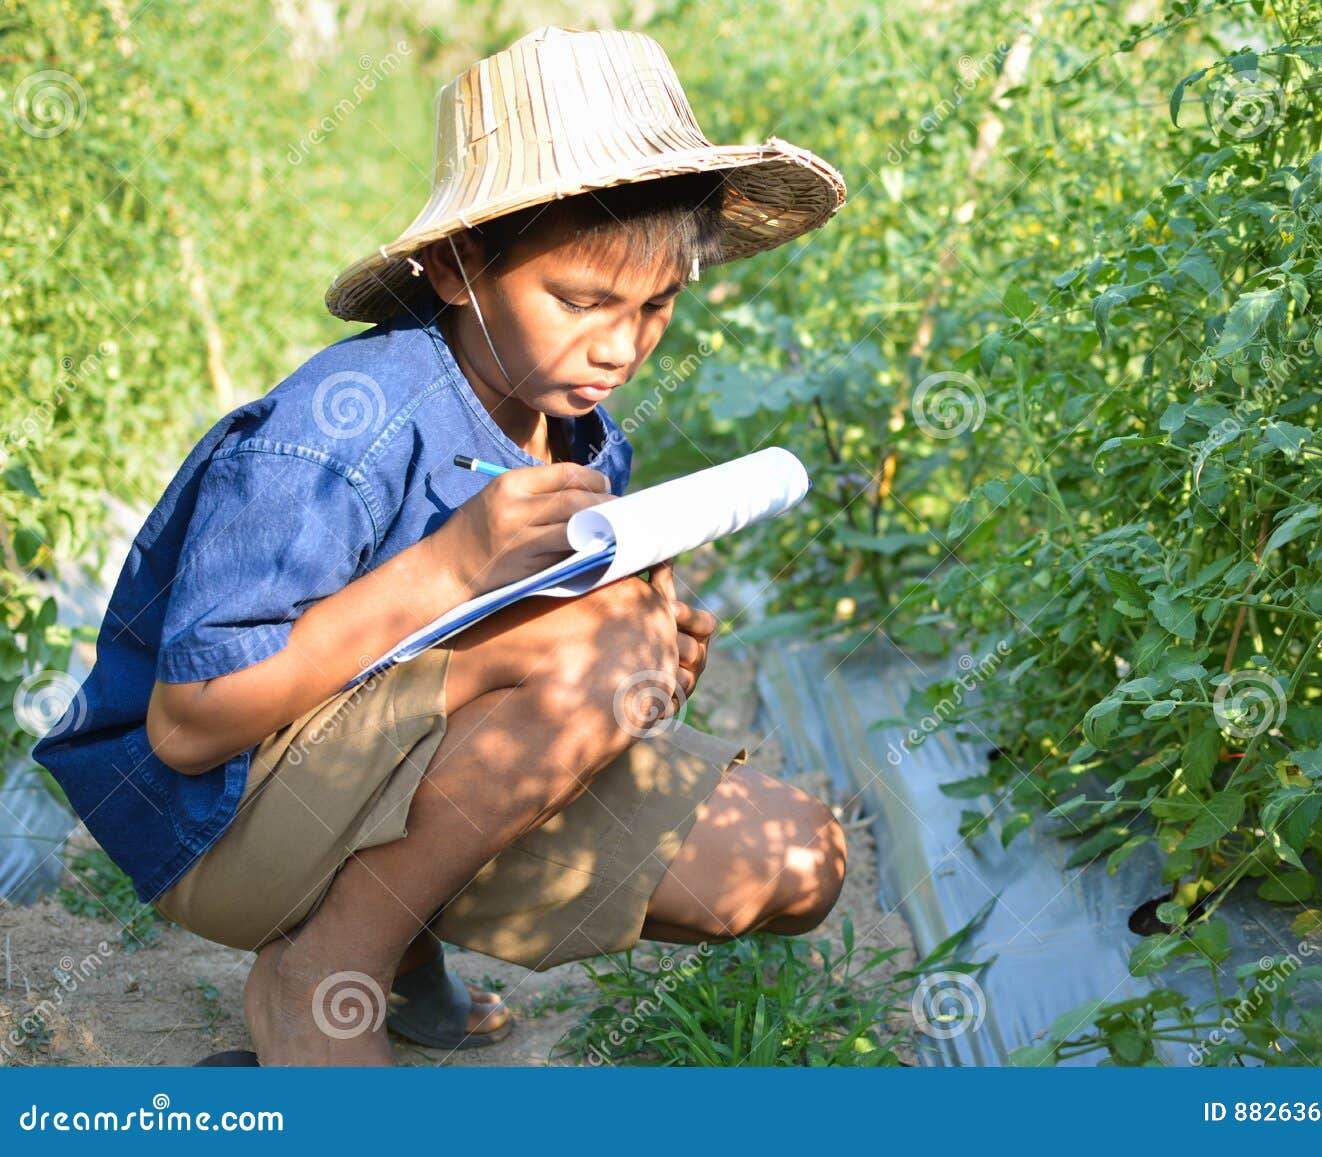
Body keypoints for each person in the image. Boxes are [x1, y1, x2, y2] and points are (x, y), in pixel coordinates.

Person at [32, 26, 850, 1065]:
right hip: (219, 818)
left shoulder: (577, 428)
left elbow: (512, 681)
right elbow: (190, 726)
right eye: (581, 300)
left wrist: (650, 659)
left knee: (796, 860)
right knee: (589, 644)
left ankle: (399, 946)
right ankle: (325, 970)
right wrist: (453, 570)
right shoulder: (337, 433)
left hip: (396, 777)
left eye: (656, 305)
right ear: (458, 264)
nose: (620, 345)